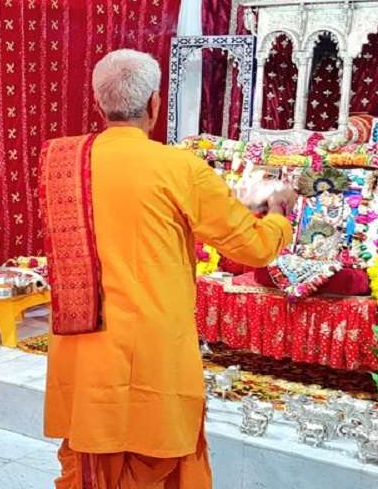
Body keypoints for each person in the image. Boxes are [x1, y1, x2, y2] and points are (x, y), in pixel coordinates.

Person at [40, 49, 297, 489]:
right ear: (156, 104)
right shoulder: (179, 167)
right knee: (156, 455)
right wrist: (277, 214)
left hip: (85, 344)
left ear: (98, 104)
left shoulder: (58, 161)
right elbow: (253, 248)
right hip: (151, 348)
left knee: (92, 459)